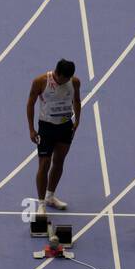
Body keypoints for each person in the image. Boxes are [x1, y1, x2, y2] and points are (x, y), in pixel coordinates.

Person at [26, 59, 81, 211]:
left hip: (65, 126)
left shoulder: (74, 82)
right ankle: (42, 203)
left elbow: (77, 100)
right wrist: (31, 129)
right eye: (65, 78)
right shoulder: (40, 81)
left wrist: (77, 120)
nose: (67, 81)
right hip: (46, 127)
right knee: (44, 164)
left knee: (59, 162)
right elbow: (30, 103)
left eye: (70, 78)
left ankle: (50, 196)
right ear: (57, 74)